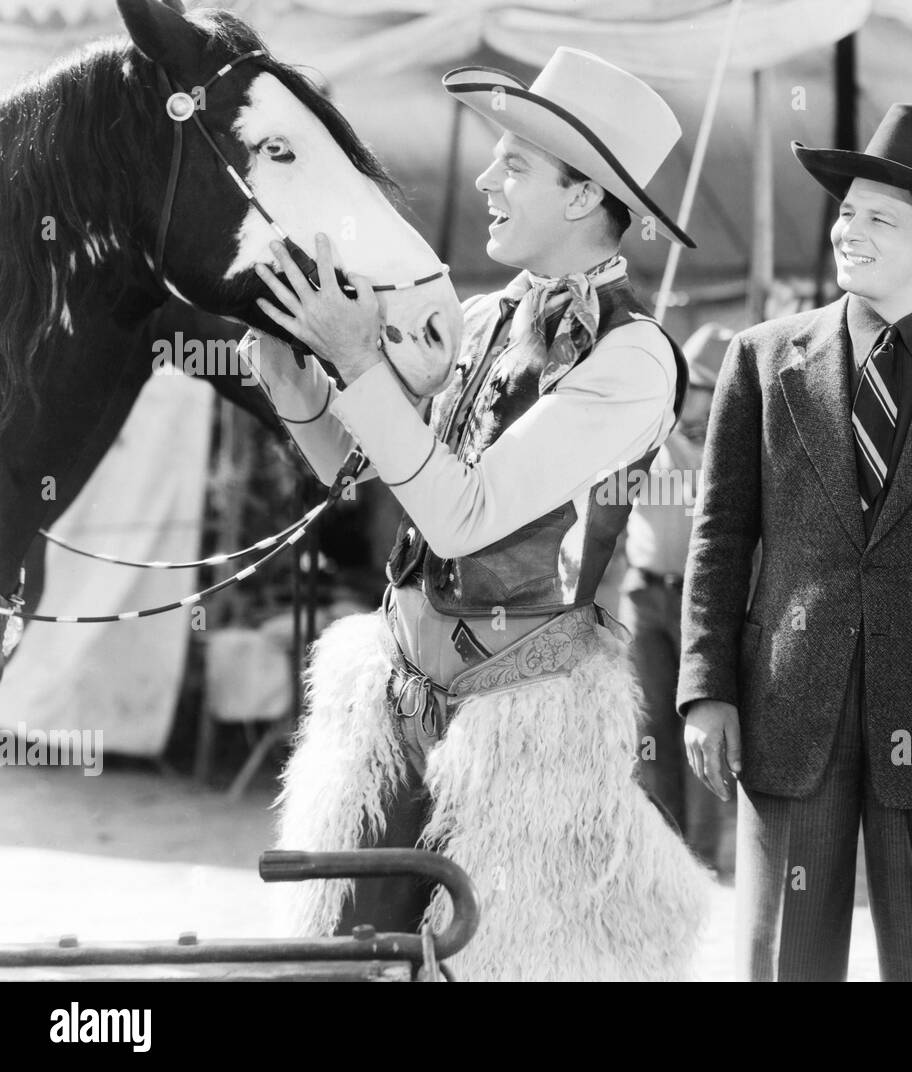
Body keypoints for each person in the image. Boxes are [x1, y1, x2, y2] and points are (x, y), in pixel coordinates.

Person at [243, 48, 711, 980]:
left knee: (487, 967)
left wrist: (363, 363)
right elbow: (364, 470)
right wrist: (295, 382)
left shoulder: (636, 358)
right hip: (396, 704)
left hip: (520, 738)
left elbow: (463, 518)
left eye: (515, 164)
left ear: (583, 198)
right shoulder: (484, 316)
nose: (485, 179)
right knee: (344, 962)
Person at [677, 103, 912, 982]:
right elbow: (721, 534)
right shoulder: (762, 361)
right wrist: (705, 689)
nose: (850, 230)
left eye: (881, 218)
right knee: (784, 959)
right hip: (786, 706)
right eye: (846, 211)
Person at [621, 323, 733, 871]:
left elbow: (692, 477)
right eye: (687, 386)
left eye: (703, 388)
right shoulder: (644, 435)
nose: (692, 398)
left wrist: (662, 418)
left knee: (701, 726)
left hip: (700, 602)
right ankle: (664, 855)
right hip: (644, 595)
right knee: (651, 733)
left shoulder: (726, 446)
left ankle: (703, 860)